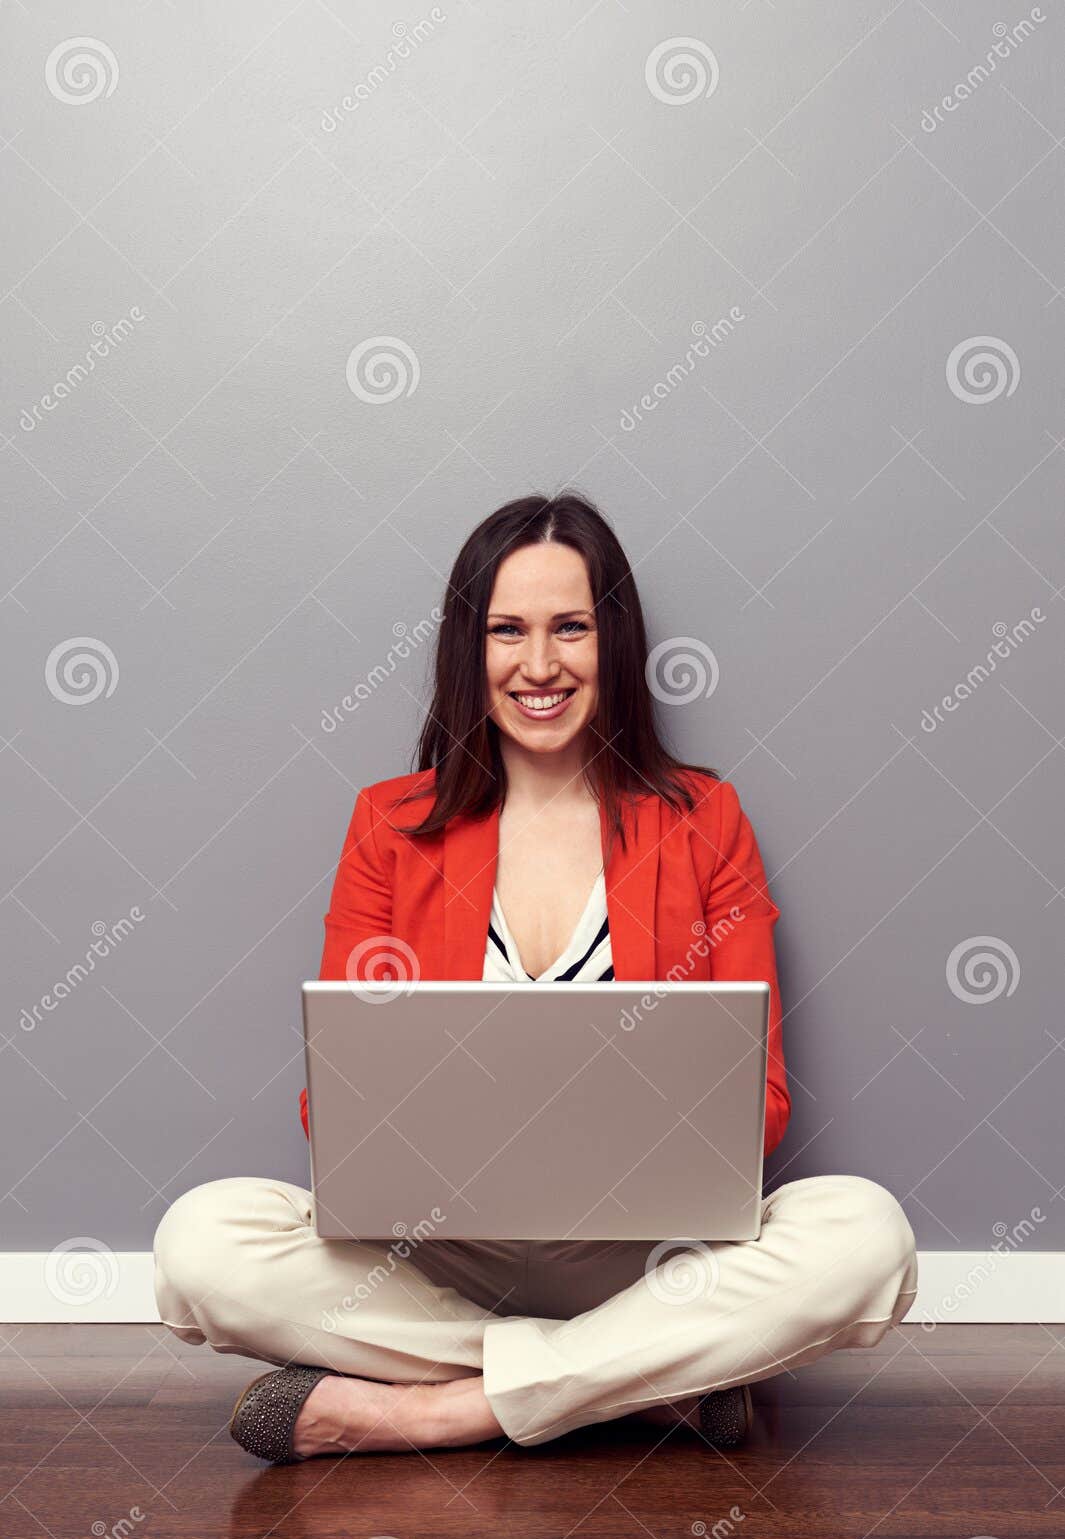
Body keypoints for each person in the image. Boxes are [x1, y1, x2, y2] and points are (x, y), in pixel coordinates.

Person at [153, 492, 917, 1464]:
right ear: (468, 649)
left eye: (571, 628)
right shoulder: (389, 825)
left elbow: (757, 1106)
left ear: (616, 640)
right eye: (508, 630)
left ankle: (434, 1410)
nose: (541, 665)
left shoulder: (705, 820)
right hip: (435, 1257)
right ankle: (634, 1385)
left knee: (867, 1235)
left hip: (645, 1257)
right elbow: (336, 1106)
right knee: (199, 1244)